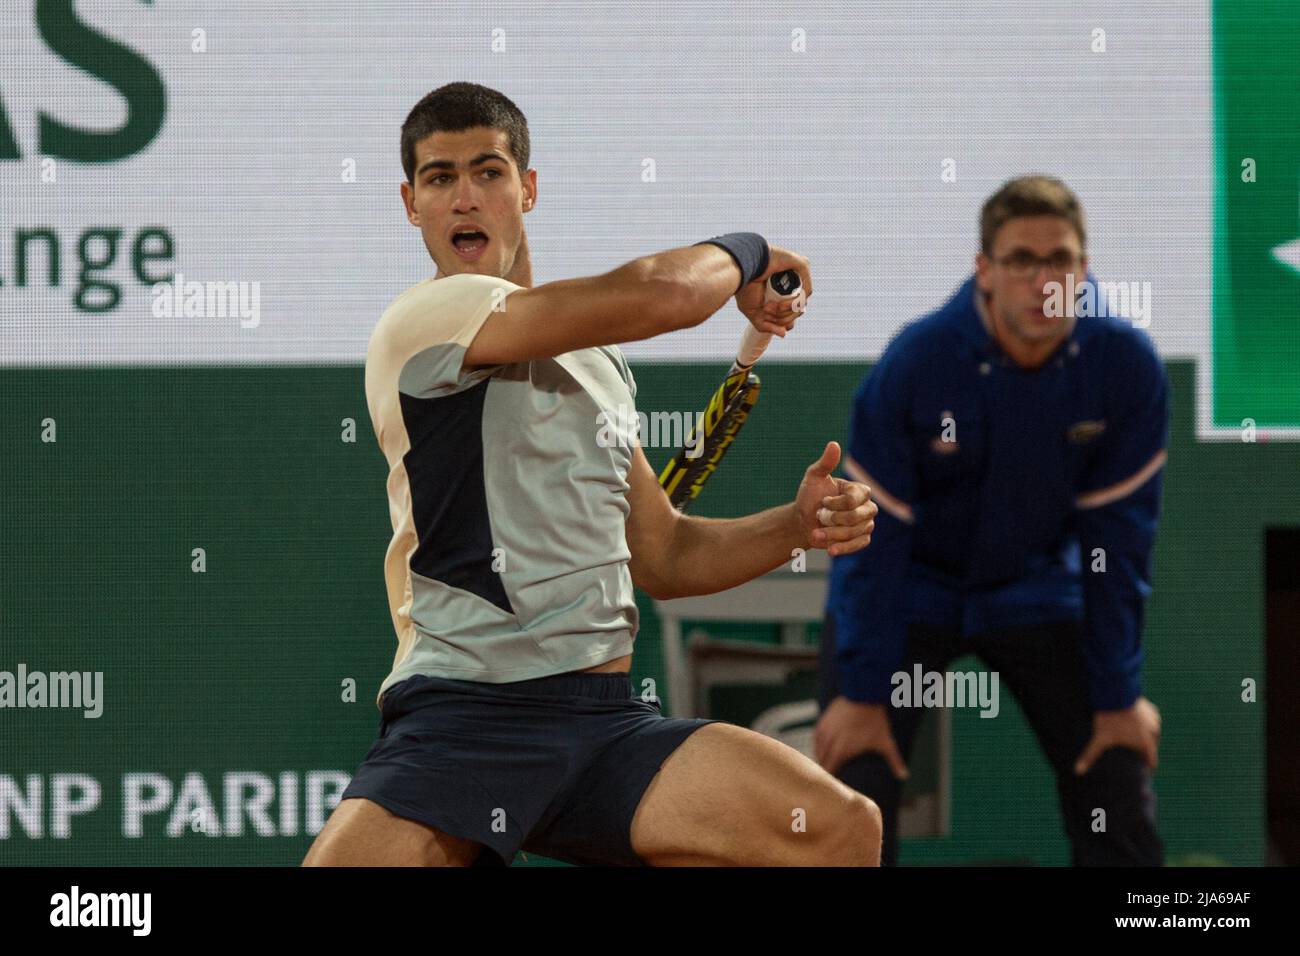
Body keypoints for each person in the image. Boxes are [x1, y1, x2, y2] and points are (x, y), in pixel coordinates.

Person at [303, 82, 882, 867]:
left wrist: (795, 526)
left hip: (603, 723)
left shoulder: (597, 364)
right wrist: (749, 250)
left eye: (489, 172)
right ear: (412, 205)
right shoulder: (424, 323)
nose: (465, 198)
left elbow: (666, 556)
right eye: (440, 179)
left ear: (527, 188)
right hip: (461, 723)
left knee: (838, 828)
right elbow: (667, 293)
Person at [815, 176, 1167, 866]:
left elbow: (1120, 545)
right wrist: (860, 693)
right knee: (854, 783)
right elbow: (872, 539)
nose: (1044, 281)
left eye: (1060, 260)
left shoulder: (1124, 366)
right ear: (985, 270)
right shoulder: (918, 360)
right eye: (1021, 261)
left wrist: (1119, 694)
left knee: (1116, 767)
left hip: (1036, 588)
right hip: (912, 588)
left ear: (1083, 269)